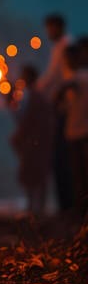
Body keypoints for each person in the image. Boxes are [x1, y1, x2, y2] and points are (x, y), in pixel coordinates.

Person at [38, 13, 73, 212]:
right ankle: (66, 207)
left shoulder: (65, 47)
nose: (48, 32)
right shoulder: (59, 47)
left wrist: (35, 87)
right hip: (62, 108)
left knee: (63, 159)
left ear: (58, 27)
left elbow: (52, 78)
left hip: (67, 110)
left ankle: (69, 207)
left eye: (50, 28)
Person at [10, 65, 54, 216]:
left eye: (24, 75)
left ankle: (38, 208)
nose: (21, 78)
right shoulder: (28, 95)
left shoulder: (36, 96)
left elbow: (29, 120)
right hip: (33, 140)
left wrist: (22, 135)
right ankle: (33, 207)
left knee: (37, 173)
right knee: (31, 173)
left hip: (36, 141)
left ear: (30, 77)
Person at [59, 44, 88, 219]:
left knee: (82, 176)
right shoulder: (74, 78)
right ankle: (80, 213)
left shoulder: (81, 77)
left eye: (69, 59)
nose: (67, 62)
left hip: (82, 133)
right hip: (73, 132)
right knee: (78, 176)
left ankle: (82, 214)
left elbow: (72, 86)